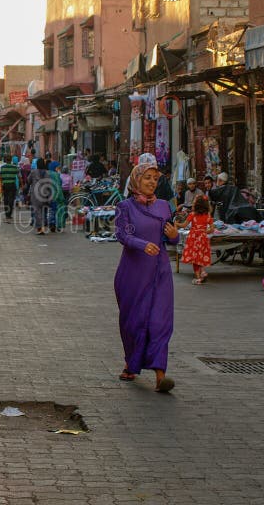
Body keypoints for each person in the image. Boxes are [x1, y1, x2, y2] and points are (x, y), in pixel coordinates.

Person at [113, 155, 179, 392]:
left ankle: (161, 375)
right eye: (147, 178)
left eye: (155, 178)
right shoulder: (125, 207)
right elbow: (122, 235)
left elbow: (173, 237)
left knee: (160, 321)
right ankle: (131, 364)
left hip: (160, 271)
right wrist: (142, 244)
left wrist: (173, 236)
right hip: (133, 273)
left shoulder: (163, 206)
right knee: (134, 321)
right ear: (136, 181)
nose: (152, 182)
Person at [177, 195, 215, 285]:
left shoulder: (192, 214)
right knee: (200, 256)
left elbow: (184, 225)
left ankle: (198, 278)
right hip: (203, 238)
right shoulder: (208, 215)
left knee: (195, 258)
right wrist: (204, 231)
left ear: (196, 205)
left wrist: (176, 223)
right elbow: (212, 230)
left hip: (193, 238)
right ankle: (202, 271)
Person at [28, 158, 54, 235]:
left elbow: (28, 180)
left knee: (37, 211)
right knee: (43, 211)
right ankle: (43, 226)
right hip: (44, 195)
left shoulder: (33, 172)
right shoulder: (47, 173)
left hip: (36, 195)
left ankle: (40, 229)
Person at [0, 156, 20, 222]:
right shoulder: (15, 167)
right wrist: (21, 185)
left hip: (5, 185)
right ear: (11, 160)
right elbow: (19, 176)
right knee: (11, 199)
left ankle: (7, 214)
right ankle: (9, 214)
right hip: (12, 185)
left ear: (5, 159)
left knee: (6, 199)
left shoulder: (2, 168)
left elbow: (1, 177)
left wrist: (1, 185)